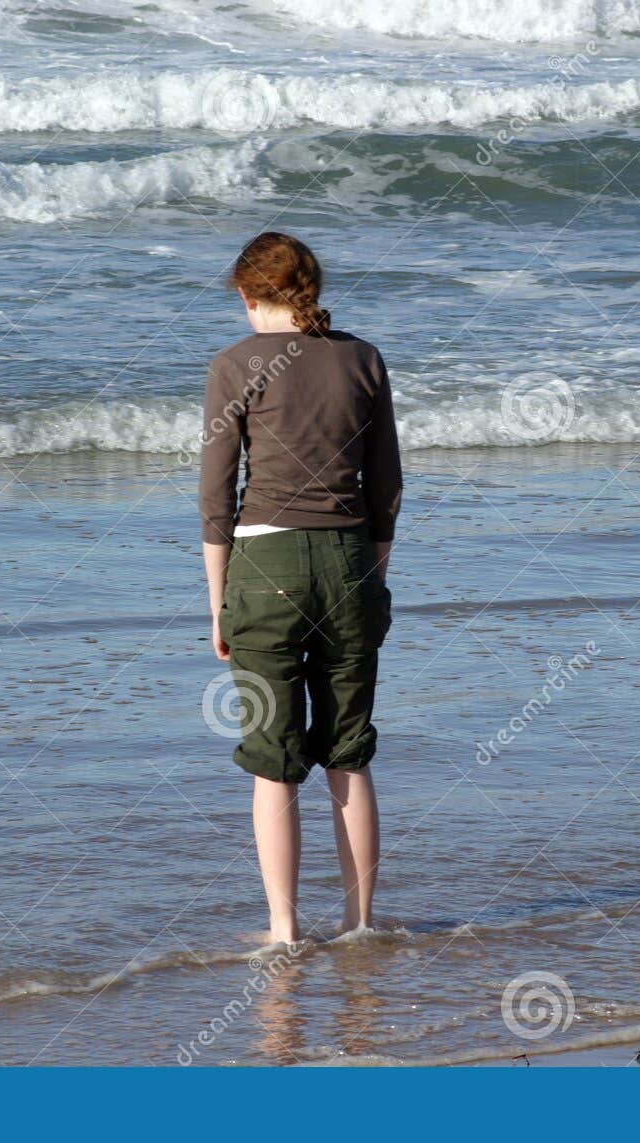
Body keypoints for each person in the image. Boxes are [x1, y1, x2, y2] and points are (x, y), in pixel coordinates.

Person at [199, 231, 401, 945]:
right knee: (350, 752)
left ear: (251, 298)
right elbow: (387, 489)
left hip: (263, 569)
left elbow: (216, 498)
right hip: (350, 560)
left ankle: (284, 928)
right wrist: (371, 576)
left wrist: (218, 602)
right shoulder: (362, 358)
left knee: (273, 760)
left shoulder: (233, 365)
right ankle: (360, 921)